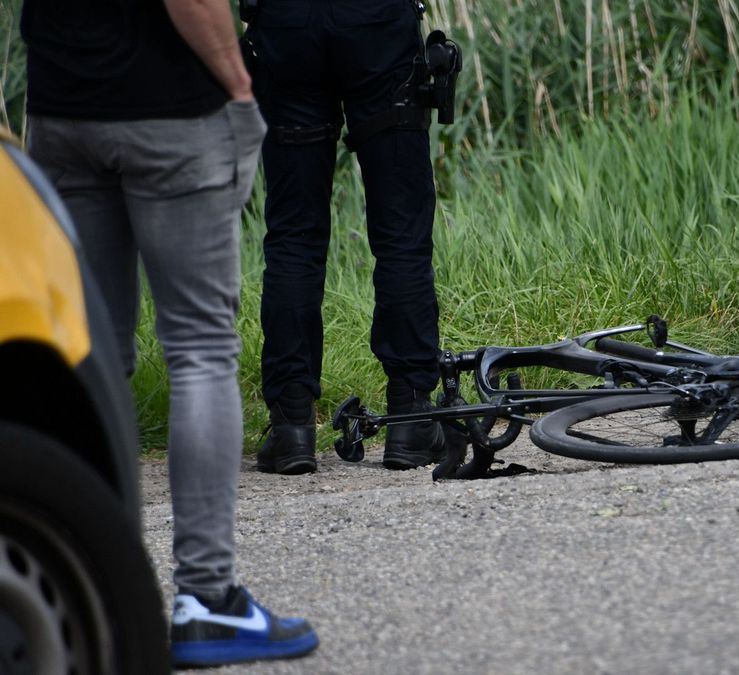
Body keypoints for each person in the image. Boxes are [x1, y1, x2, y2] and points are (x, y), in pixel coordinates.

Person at [21, 0, 318, 667]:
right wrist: (238, 85)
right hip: (173, 112)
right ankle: (206, 598)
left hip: (62, 106)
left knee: (88, 359)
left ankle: (87, 580)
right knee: (202, 351)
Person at [246, 0, 457, 474]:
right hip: (376, 23)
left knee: (294, 235)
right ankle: (410, 418)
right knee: (401, 231)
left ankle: (291, 427)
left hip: (288, 27)